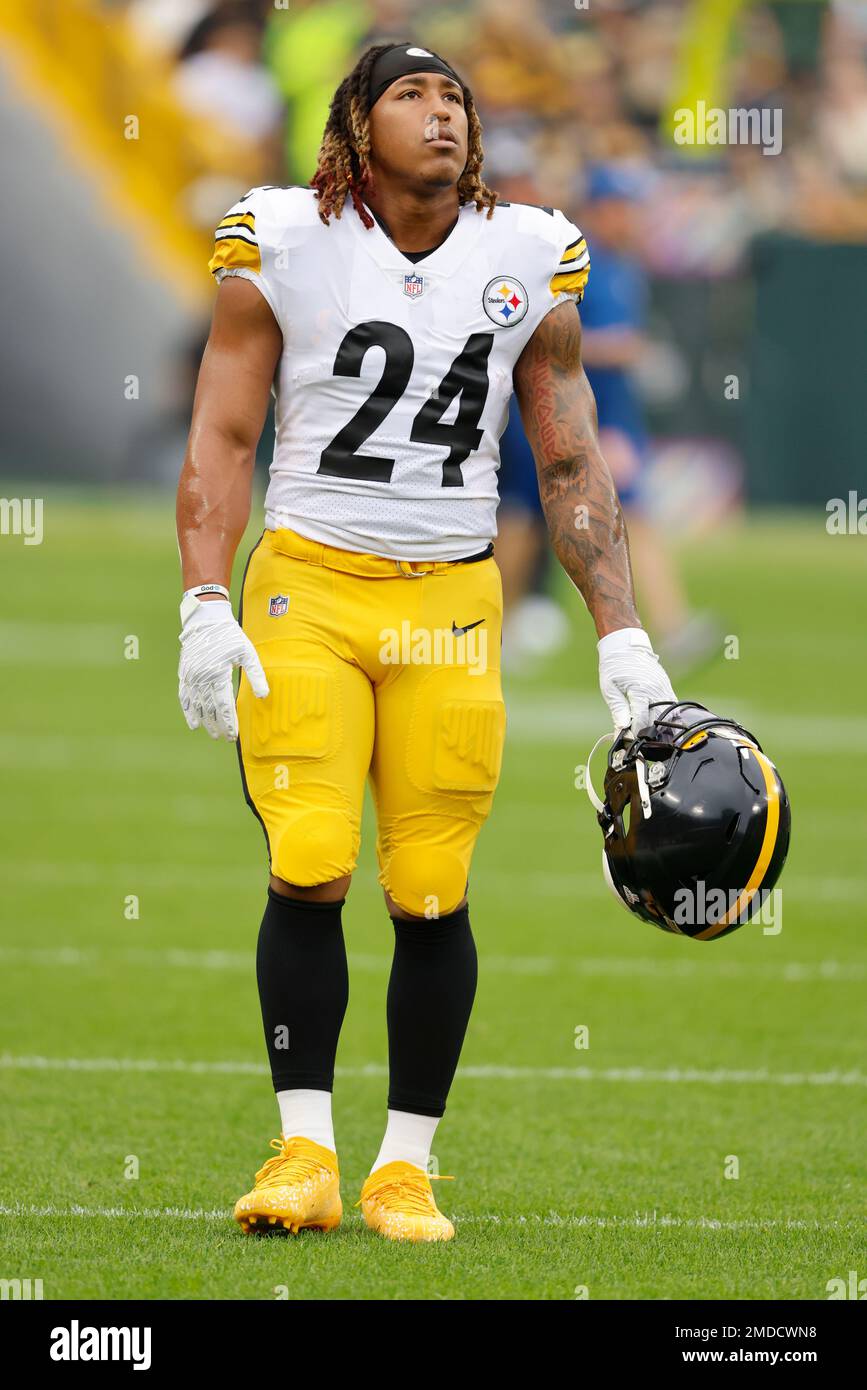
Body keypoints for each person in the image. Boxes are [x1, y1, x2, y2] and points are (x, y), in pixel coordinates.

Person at [175, 41, 676, 1244]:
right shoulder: (284, 237)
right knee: (308, 856)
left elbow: (566, 458)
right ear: (356, 122)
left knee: (430, 884)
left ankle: (406, 1165)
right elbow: (224, 433)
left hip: (452, 599)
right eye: (412, 94)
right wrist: (204, 600)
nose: (443, 114)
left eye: (455, 97)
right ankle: (303, 1151)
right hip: (309, 582)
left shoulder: (525, 252)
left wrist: (624, 640)